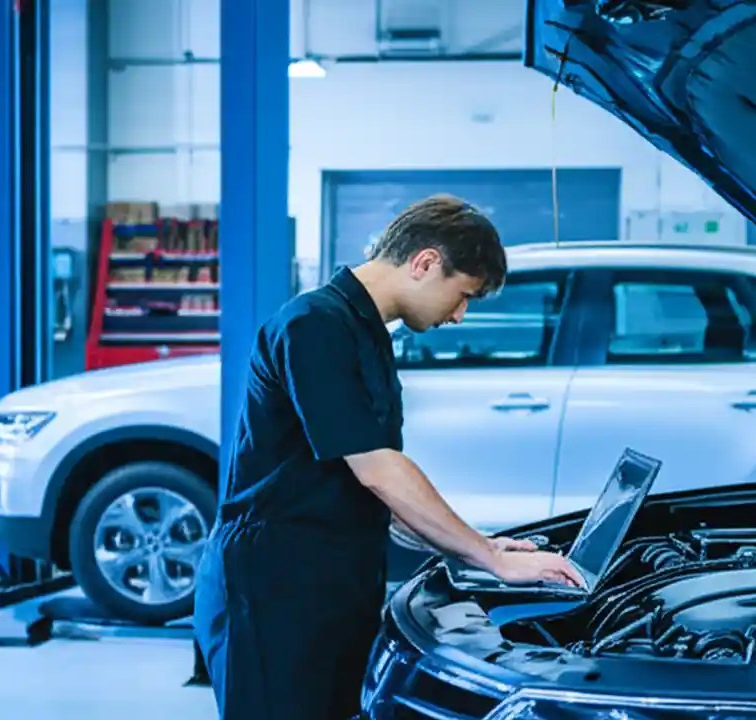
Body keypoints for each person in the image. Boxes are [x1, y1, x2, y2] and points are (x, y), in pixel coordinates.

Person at [192, 194, 586, 720]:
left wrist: (480, 546)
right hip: (274, 586)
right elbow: (377, 468)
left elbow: (369, 490)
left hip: (330, 578)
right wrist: (487, 559)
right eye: (463, 295)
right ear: (425, 263)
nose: (461, 315)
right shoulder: (314, 325)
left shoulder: (366, 333)